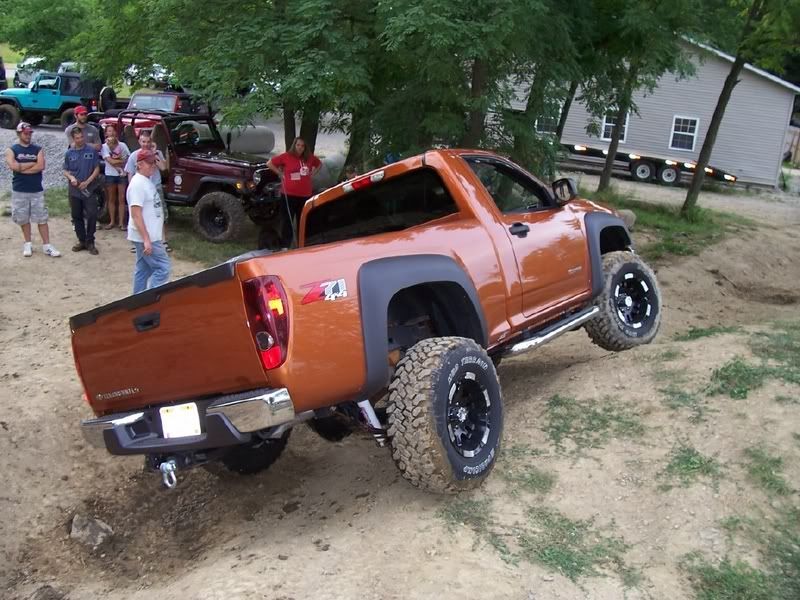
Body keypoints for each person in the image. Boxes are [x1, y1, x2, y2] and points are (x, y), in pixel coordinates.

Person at [4, 122, 61, 257]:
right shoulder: (11, 150)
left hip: (36, 190)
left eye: (30, 133)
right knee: (23, 218)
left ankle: (47, 245)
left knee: (41, 218)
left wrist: (22, 167)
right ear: (19, 133)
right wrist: (31, 164)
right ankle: (27, 243)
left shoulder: (38, 149)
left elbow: (40, 166)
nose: (28, 135)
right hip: (20, 190)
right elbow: (13, 166)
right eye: (25, 133)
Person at [127, 149, 170, 293]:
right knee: (163, 268)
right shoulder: (138, 185)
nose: (153, 165)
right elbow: (136, 214)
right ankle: (150, 300)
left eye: (154, 162)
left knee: (143, 269)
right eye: (150, 163)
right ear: (139, 164)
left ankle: (137, 301)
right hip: (148, 237)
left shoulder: (146, 181)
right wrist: (146, 239)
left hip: (150, 235)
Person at [267, 137, 321, 247]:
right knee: (287, 221)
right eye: (298, 145)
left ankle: (303, 244)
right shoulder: (286, 156)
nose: (300, 148)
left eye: (302, 146)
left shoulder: (310, 158)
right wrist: (279, 173)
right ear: (294, 145)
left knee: (304, 220)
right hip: (289, 194)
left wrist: (313, 174)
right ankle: (285, 245)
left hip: (305, 195)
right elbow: (269, 163)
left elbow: (319, 164)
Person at [125, 129, 170, 251]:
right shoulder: (134, 155)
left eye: (148, 141)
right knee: (139, 215)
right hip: (141, 190)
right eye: (143, 141)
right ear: (139, 141)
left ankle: (162, 241)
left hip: (155, 187)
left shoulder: (157, 153)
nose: (145, 144)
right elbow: (130, 173)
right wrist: (132, 190)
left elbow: (163, 167)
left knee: (160, 213)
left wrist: (154, 154)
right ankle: (138, 242)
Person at [63, 127, 102, 255]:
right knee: (77, 215)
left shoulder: (91, 150)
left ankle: (90, 241)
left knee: (92, 214)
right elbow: (65, 170)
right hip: (74, 190)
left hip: (89, 189)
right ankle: (82, 240)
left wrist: (88, 182)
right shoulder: (69, 153)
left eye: (81, 137)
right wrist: (71, 178)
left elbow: (96, 168)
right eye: (77, 138)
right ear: (73, 139)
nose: (80, 140)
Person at [100, 124, 130, 230]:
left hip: (121, 175)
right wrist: (121, 161)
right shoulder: (104, 147)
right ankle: (112, 221)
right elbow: (111, 161)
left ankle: (121, 223)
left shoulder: (122, 145)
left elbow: (128, 158)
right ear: (106, 133)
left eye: (113, 131)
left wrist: (120, 162)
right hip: (110, 174)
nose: (111, 133)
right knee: (111, 198)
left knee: (122, 198)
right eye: (109, 131)